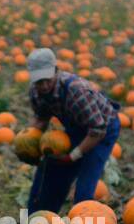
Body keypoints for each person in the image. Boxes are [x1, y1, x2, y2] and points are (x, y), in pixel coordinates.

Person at [24, 47, 121, 213]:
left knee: (85, 186)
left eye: (47, 80)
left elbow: (98, 130)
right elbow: (41, 118)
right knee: (50, 172)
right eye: (39, 82)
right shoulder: (36, 93)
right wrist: (28, 144)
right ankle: (39, 219)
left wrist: (72, 156)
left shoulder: (76, 91)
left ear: (56, 71)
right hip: (77, 128)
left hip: (102, 130)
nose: (44, 86)